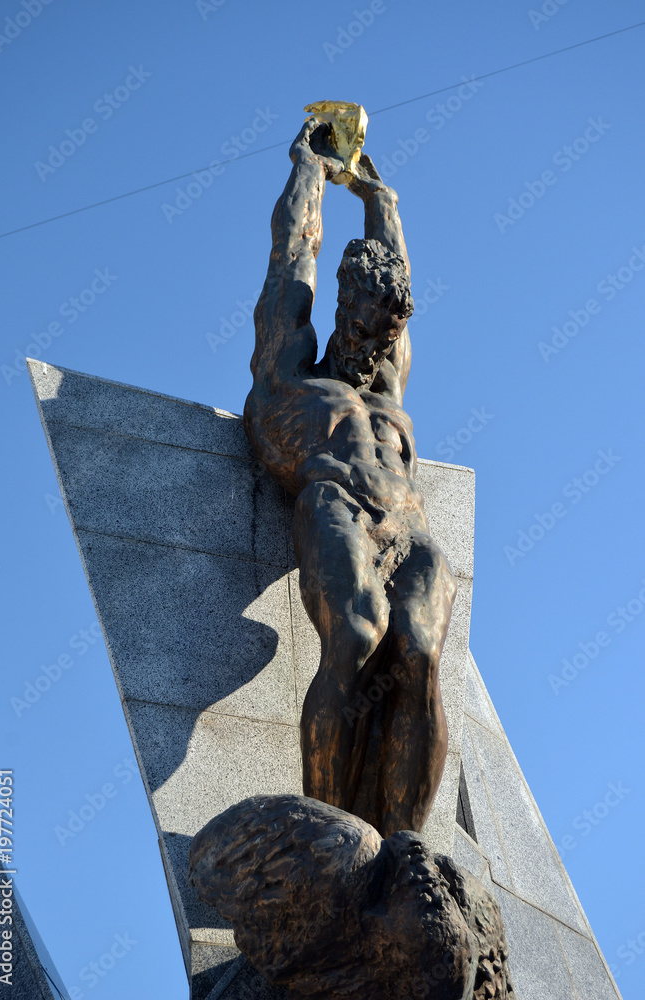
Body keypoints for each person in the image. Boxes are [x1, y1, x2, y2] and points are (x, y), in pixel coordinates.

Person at [244, 117, 457, 837]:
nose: (373, 348)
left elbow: (394, 275)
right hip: (331, 499)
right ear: (342, 315)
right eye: (363, 331)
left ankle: (402, 853)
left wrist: (379, 196)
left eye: (385, 336)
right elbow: (292, 255)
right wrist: (309, 170)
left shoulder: (388, 387)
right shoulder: (290, 370)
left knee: (420, 653)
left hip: (409, 524)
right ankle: (333, 841)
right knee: (359, 632)